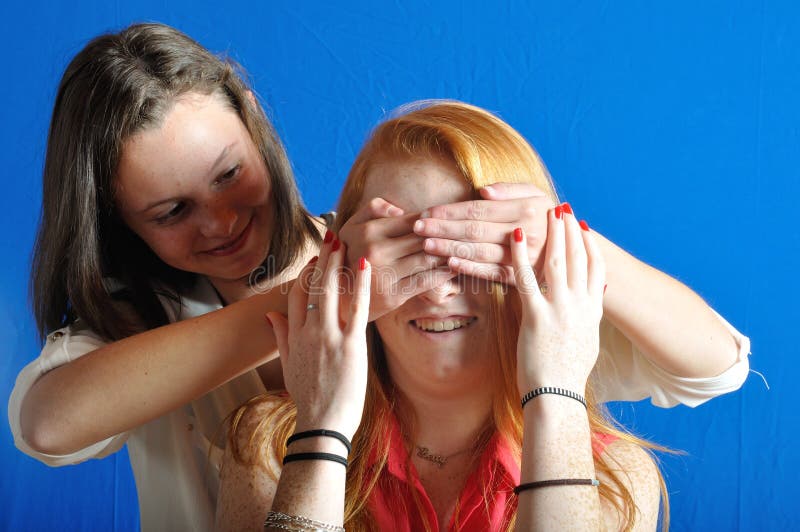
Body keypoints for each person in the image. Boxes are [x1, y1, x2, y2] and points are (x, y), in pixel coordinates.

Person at [8, 22, 748, 530]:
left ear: (253, 119)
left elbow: (716, 365)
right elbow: (47, 423)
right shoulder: (254, 384)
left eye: (229, 174)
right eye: (172, 211)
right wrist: (317, 302)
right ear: (121, 222)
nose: (222, 220)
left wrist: (568, 242)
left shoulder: (506, 329)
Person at [216, 101, 668, 531]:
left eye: (473, 250)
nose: (437, 290)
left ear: (539, 262)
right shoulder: (268, 446)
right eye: (404, 253)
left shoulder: (619, 480)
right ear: (348, 266)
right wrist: (321, 430)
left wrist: (556, 394)